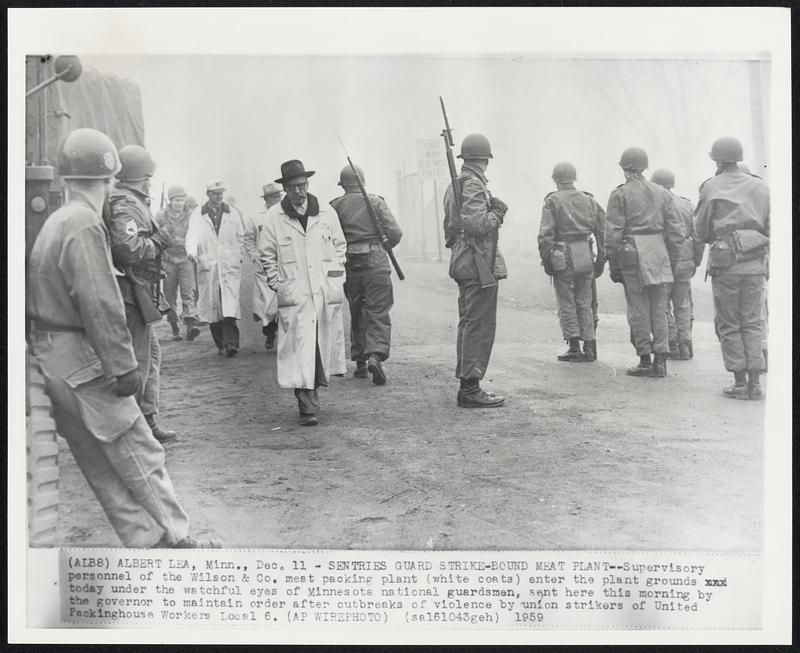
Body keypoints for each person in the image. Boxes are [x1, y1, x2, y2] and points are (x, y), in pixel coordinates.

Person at [27, 128, 219, 548]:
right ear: (109, 177)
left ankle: (148, 542)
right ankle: (179, 540)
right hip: (80, 360)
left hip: (49, 361)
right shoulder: (84, 223)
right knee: (139, 447)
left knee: (98, 461)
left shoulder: (57, 220)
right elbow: (100, 301)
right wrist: (122, 365)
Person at [258, 160, 347, 426]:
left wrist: (335, 277)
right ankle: (306, 406)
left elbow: (340, 247)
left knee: (318, 348)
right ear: (285, 189)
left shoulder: (327, 213)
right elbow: (266, 255)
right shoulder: (274, 217)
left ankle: (311, 397)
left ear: (308, 184)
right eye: (293, 187)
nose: (299, 191)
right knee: (300, 350)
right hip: (295, 293)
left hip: (322, 292)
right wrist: (278, 283)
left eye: (302, 185)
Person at [105, 144, 176, 443]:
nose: (150, 182)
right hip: (130, 292)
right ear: (141, 177)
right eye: (148, 177)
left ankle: (146, 419)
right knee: (138, 360)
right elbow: (127, 248)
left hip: (138, 290)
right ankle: (133, 429)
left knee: (151, 355)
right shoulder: (125, 203)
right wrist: (157, 242)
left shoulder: (131, 201)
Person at [694, 137, 770, 400]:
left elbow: (701, 229)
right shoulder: (760, 186)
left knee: (729, 322)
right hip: (755, 262)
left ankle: (739, 382)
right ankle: (755, 383)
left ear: (717, 160)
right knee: (753, 321)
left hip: (725, 263)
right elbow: (770, 226)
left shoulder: (711, 186)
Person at [605, 147, 685, 378]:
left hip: (632, 253)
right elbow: (676, 232)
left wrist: (614, 263)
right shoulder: (662, 193)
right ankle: (661, 360)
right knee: (659, 308)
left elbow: (613, 234)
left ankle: (645, 359)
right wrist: (671, 260)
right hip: (659, 252)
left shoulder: (620, 194)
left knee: (638, 309)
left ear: (624, 168)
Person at [443, 133, 508, 407]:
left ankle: (468, 384)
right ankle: (470, 388)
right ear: (485, 160)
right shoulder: (473, 184)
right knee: (479, 325)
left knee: (469, 323)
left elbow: (450, 230)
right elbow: (476, 223)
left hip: (465, 259)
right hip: (477, 260)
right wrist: (497, 214)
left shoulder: (456, 184)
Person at [330, 164, 403, 384]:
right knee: (378, 311)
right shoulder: (376, 201)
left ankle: (361, 362)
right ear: (362, 181)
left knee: (357, 310)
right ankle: (375, 356)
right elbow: (395, 232)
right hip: (376, 263)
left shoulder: (334, 207)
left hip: (349, 265)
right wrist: (383, 243)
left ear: (342, 185)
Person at [538, 161, 606, 363]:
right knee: (585, 302)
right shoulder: (589, 200)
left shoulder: (552, 200)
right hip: (585, 253)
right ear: (573, 179)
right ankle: (590, 347)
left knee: (566, 301)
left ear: (556, 180)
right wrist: (601, 258)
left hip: (563, 254)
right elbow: (602, 231)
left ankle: (574, 346)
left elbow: (545, 235)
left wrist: (547, 260)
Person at [185, 179, 245, 357]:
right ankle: (220, 343)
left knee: (229, 305)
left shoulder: (231, 213)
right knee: (212, 307)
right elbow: (192, 235)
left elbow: (240, 235)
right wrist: (192, 251)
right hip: (208, 264)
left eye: (221, 193)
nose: (219, 197)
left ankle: (231, 343)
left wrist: (238, 254)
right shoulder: (198, 215)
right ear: (208, 194)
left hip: (228, 264)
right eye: (215, 193)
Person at [650, 168, 704, 360]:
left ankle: (671, 342)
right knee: (683, 304)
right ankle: (685, 344)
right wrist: (696, 260)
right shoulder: (686, 204)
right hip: (685, 259)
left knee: (662, 303)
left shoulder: (655, 205)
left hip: (664, 258)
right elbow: (698, 236)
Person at [154, 184, 201, 342]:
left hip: (186, 259)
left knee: (188, 293)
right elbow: (154, 235)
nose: (179, 203)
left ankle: (190, 325)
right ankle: (174, 327)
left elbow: (196, 235)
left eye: (181, 200)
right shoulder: (161, 216)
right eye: (176, 200)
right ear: (170, 201)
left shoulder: (190, 216)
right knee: (170, 296)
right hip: (168, 261)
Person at [243, 182, 283, 350]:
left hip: (284, 264)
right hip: (264, 267)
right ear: (266, 199)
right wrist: (254, 255)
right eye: (272, 197)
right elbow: (249, 239)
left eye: (278, 196)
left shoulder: (286, 212)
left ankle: (282, 334)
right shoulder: (256, 216)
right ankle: (270, 332)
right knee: (267, 305)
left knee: (283, 302)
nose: (276, 199)